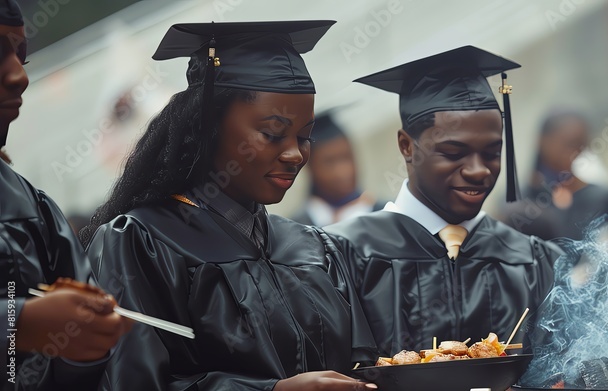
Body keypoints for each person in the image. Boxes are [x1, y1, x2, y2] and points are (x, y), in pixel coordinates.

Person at [79, 21, 378, 390]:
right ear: (211, 125)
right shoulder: (142, 243)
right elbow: (133, 383)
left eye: (305, 136)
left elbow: (363, 364)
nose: (294, 154)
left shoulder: (314, 247)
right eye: (272, 133)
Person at [324, 46, 560, 356]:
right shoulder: (343, 255)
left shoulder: (533, 261)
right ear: (407, 146)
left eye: (491, 153)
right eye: (453, 153)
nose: (478, 170)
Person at [0, 1, 132, 389]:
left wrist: (88, 343)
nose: (19, 76)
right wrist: (16, 323)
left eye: (20, 54)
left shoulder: (30, 206)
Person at [499, 109, 608, 242]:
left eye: (581, 145)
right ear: (542, 141)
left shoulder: (602, 198)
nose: (576, 152)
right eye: (570, 143)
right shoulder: (519, 198)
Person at [292, 111, 388, 226]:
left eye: (347, 157)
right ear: (309, 167)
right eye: (329, 162)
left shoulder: (386, 214)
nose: (343, 171)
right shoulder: (295, 229)